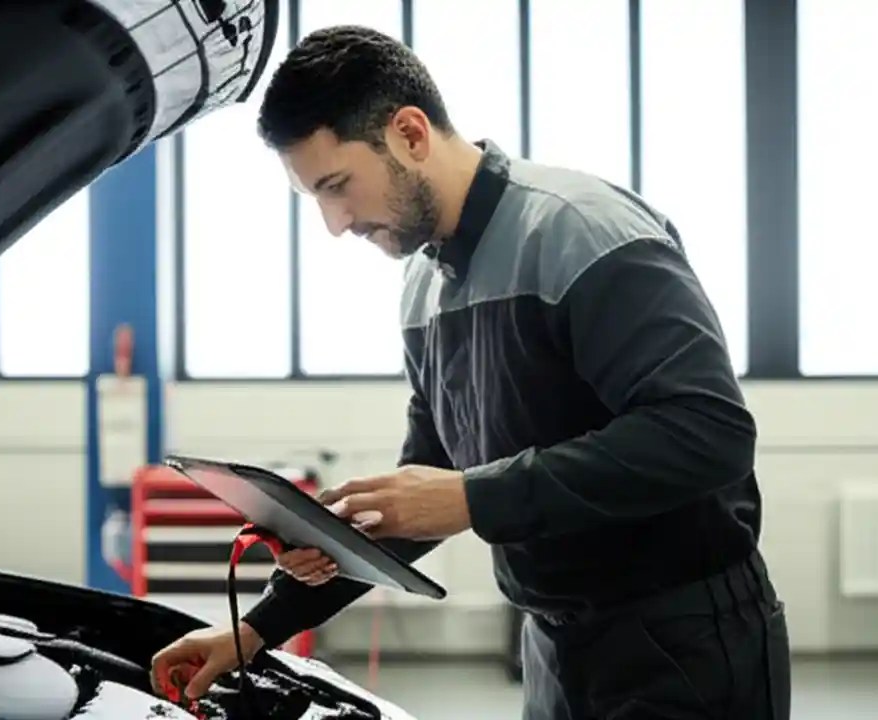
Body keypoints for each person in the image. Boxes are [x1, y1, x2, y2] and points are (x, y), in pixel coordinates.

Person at [151, 24, 791, 720]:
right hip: (552, 648)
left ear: (411, 134)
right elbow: (427, 485)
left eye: (338, 186)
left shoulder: (584, 231)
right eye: (315, 200)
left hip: (684, 643)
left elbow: (707, 433)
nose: (335, 223)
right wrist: (257, 628)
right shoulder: (424, 287)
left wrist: (471, 498)